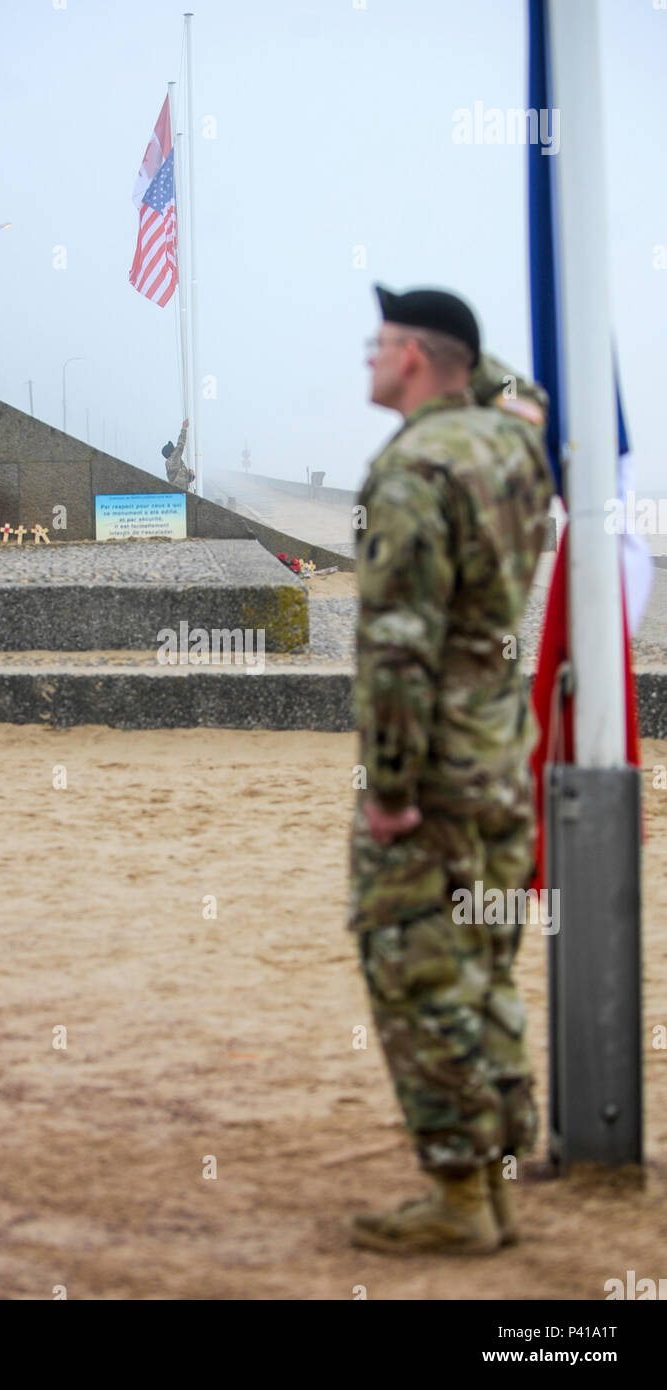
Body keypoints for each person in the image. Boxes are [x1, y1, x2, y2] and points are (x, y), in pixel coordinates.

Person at [348, 284, 554, 1255]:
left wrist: (387, 791)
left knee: (414, 970)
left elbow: (395, 648)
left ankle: (458, 1197)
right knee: (482, 970)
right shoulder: (513, 447)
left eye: (380, 344)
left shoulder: (411, 469)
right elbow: (524, 392)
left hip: (431, 779)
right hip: (499, 764)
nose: (366, 358)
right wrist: (482, 370)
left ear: (419, 360)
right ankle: (498, 1174)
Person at [161, 418, 194, 490]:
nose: (175, 448)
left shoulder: (175, 463)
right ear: (171, 451)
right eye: (173, 448)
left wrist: (191, 476)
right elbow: (180, 444)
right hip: (180, 492)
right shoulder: (173, 458)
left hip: (179, 492)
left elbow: (182, 479)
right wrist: (184, 428)